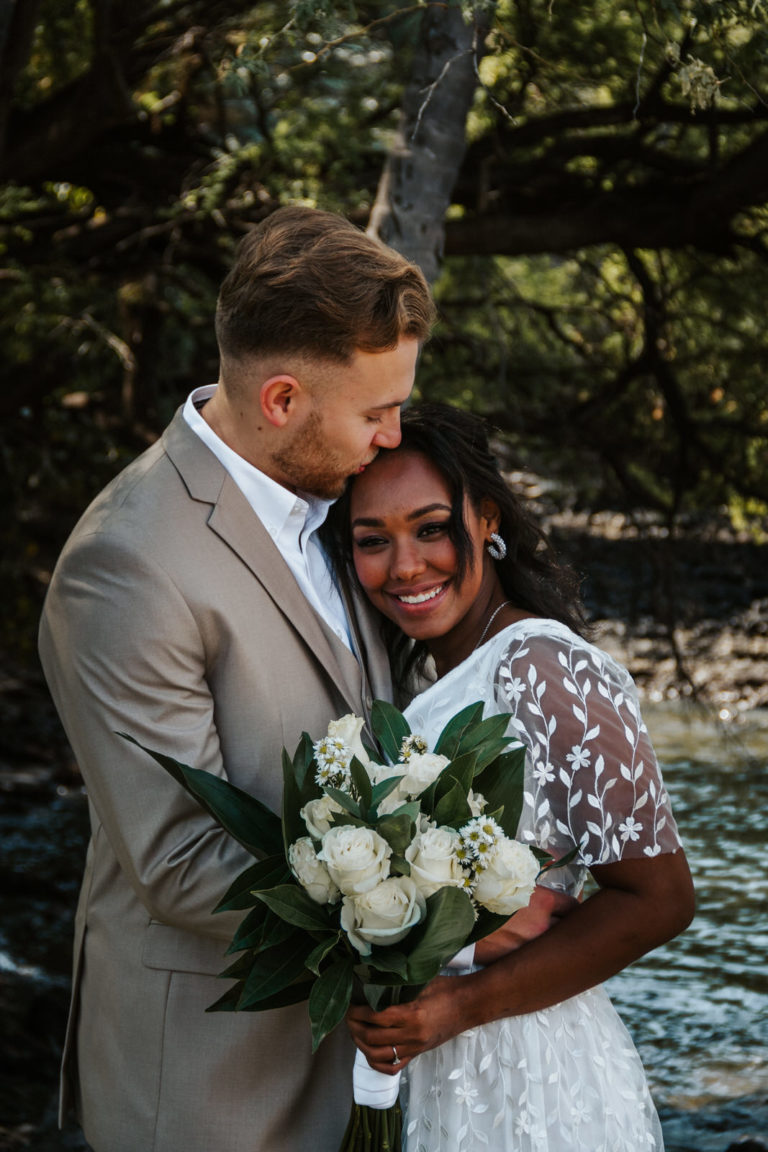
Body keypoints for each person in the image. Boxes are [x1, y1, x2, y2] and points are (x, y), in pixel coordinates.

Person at [37, 206, 435, 1152]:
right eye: (376, 414)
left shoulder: (335, 497)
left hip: (351, 1066)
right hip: (211, 1083)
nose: (393, 438)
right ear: (283, 401)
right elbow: (177, 864)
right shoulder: (127, 563)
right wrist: (431, 913)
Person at [331, 402, 695, 1151]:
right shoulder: (414, 669)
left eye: (431, 528)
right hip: (426, 1056)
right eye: (373, 540)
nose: (406, 566)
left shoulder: (543, 667)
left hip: (525, 1065)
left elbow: (660, 898)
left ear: (487, 519)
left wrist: (460, 1005)